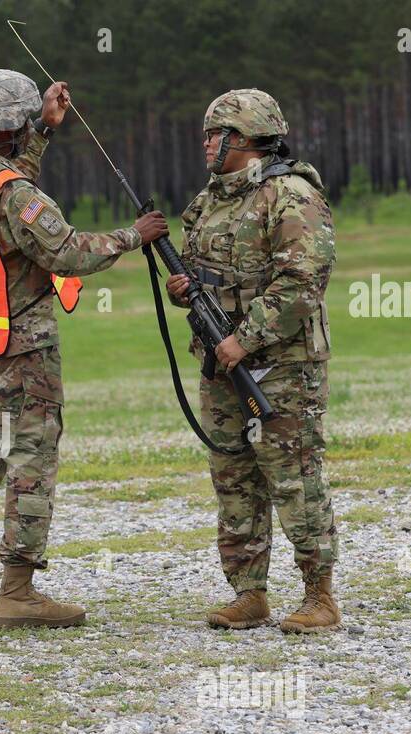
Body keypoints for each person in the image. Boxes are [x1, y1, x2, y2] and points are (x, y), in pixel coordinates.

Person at [0, 69, 168, 629]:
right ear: (13, 125)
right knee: (31, 461)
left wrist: (45, 130)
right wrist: (136, 236)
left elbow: (9, 186)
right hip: (24, 352)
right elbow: (67, 253)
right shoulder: (15, 194)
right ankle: (18, 591)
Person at [165, 89, 340, 633]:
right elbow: (202, 270)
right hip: (219, 363)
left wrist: (245, 338)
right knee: (234, 477)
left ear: (242, 139)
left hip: (283, 364)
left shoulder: (290, 195)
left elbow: (303, 280)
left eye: (215, 135)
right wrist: (182, 289)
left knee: (293, 476)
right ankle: (249, 592)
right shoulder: (212, 198)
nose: (206, 144)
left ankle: (320, 595)